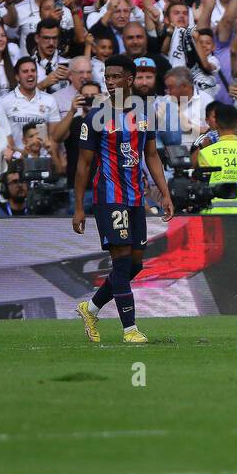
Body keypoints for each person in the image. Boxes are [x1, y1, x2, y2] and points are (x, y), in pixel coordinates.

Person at [72, 54, 175, 345]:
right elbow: (83, 165)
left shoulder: (145, 112)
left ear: (130, 79)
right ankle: (130, 329)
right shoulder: (95, 116)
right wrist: (80, 206)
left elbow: (151, 155)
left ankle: (90, 309)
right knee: (119, 263)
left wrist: (165, 194)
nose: (110, 81)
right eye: (107, 76)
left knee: (135, 264)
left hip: (135, 198)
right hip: (109, 197)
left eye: (116, 76)